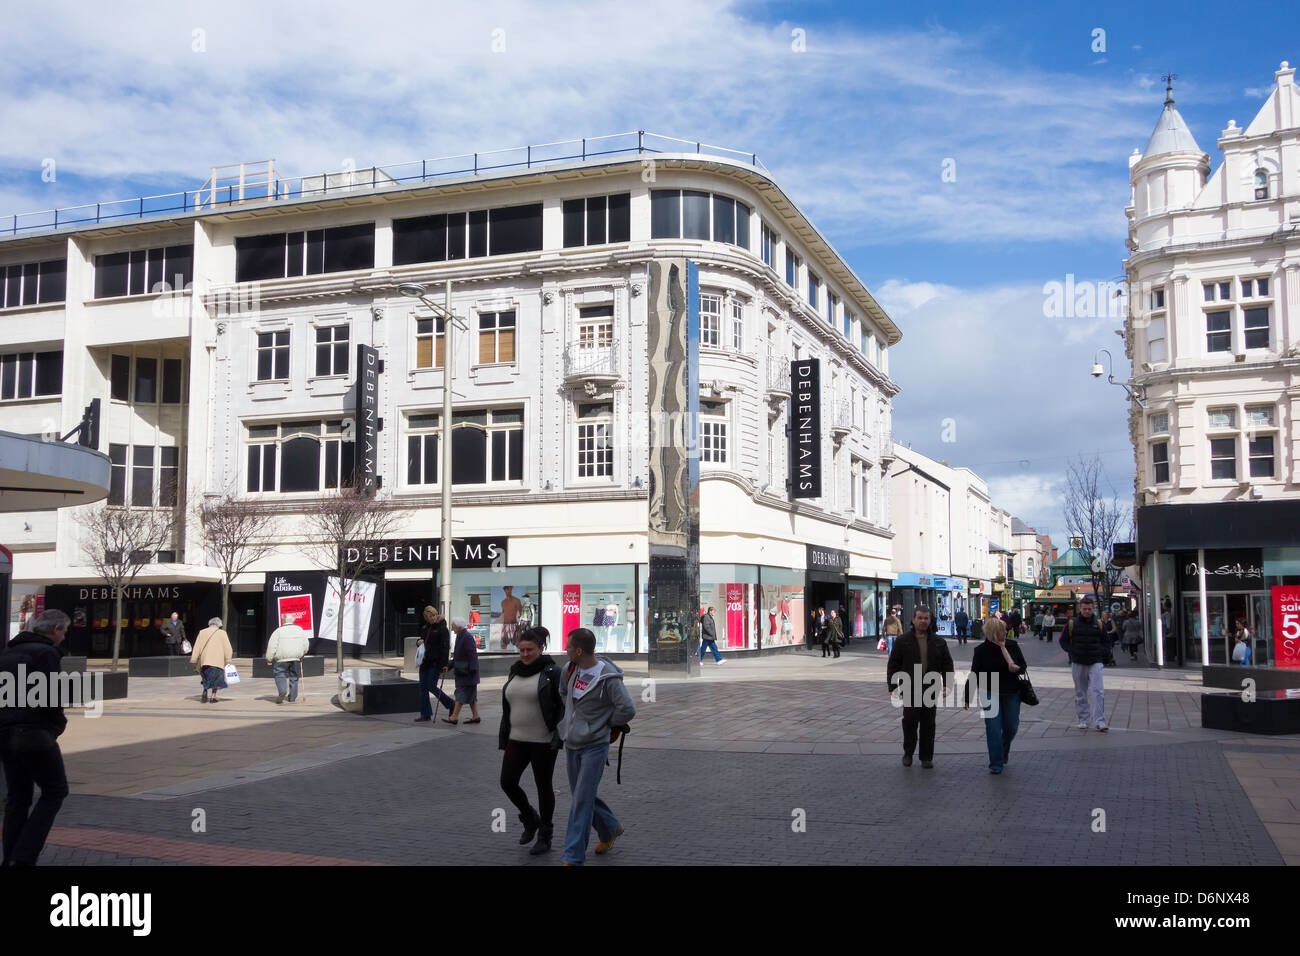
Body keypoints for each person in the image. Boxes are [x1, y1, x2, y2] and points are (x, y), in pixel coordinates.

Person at [558, 627, 636, 866]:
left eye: (569, 647)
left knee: (581, 800)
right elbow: (563, 693)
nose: (566, 650)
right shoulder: (569, 669)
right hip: (571, 743)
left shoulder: (608, 677)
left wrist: (601, 724)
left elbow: (628, 709)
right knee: (582, 795)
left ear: (579, 650)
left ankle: (573, 857)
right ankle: (610, 828)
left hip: (595, 746)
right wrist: (573, 719)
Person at [0, 609, 71, 865]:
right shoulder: (47, 653)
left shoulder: (8, 652)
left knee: (18, 798)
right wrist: (56, 727)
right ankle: (24, 856)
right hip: (34, 732)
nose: (64, 636)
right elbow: (51, 696)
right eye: (64, 631)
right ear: (55, 630)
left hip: (5, 733)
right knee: (55, 791)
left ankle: (10, 857)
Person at [499, 627, 564, 855]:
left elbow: (563, 707)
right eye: (521, 650)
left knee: (543, 786)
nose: (525, 654)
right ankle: (530, 818)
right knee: (507, 782)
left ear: (541, 648)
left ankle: (545, 834)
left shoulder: (552, 672)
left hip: (544, 741)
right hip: (516, 738)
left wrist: (558, 736)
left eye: (530, 650)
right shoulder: (515, 670)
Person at [885, 607, 954, 769]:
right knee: (909, 722)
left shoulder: (939, 642)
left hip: (931, 688)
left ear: (930, 620)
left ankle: (926, 757)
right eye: (920, 618)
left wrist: (947, 685)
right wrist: (892, 686)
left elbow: (947, 664)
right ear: (914, 620)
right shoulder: (903, 641)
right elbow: (893, 664)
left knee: (928, 724)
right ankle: (908, 753)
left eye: (926, 618)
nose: (923, 621)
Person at [966, 615, 1026, 774]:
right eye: (1002, 631)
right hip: (989, 692)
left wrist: (1017, 667)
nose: (1006, 633)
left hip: (1011, 691)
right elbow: (975, 674)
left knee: (1011, 727)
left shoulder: (1012, 646)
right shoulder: (981, 650)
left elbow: (1023, 666)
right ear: (994, 632)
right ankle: (996, 763)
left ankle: (1003, 750)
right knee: (993, 728)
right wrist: (967, 697)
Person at [1059, 597, 1109, 731]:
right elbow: (1063, 641)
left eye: (1090, 609)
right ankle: (1083, 719)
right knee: (1080, 692)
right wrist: (1072, 651)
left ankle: (1100, 721)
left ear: (1093, 609)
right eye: (1085, 609)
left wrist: (1101, 652)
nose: (1087, 611)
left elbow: (1107, 642)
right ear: (1080, 609)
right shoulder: (1072, 623)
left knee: (1098, 691)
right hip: (1078, 661)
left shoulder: (1099, 624)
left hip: (1095, 661)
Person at [414, 606, 455, 722]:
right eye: (431, 616)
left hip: (435, 663)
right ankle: (425, 714)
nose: (434, 617)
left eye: (435, 615)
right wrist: (418, 642)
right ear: (426, 617)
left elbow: (445, 647)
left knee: (431, 686)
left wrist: (444, 664)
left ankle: (451, 704)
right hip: (424, 662)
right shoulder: (425, 627)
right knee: (423, 688)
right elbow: (422, 641)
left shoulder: (442, 628)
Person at [443, 616, 481, 725]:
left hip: (467, 673)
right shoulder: (460, 636)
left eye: (453, 625)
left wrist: (473, 670)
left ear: (459, 626)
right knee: (471, 696)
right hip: (463, 671)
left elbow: (472, 655)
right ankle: (476, 716)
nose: (452, 627)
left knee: (460, 694)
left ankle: (454, 717)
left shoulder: (466, 637)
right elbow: (457, 657)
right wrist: (449, 666)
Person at [266, 612, 310, 704]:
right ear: (293, 620)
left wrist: (269, 659)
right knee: (294, 677)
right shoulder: (299, 629)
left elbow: (272, 646)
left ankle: (282, 691)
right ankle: (292, 698)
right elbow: (306, 644)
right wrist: (303, 654)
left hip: (281, 659)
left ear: (283, 620)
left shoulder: (278, 631)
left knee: (280, 674)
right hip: (296, 658)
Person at [190, 617, 233, 703]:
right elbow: (228, 647)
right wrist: (228, 659)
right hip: (217, 661)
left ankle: (205, 690)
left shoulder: (202, 632)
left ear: (210, 624)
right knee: (216, 680)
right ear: (219, 625)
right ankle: (213, 697)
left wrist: (193, 659)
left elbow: (197, 646)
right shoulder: (222, 633)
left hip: (204, 661)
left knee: (206, 677)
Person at [499, 586, 523, 650]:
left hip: (514, 625)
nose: (508, 590)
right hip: (505, 625)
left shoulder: (516, 600)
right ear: (504, 590)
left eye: (509, 588)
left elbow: (521, 613)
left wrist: (520, 625)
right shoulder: (503, 602)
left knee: (518, 645)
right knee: (503, 645)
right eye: (506, 589)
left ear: (512, 589)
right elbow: (503, 614)